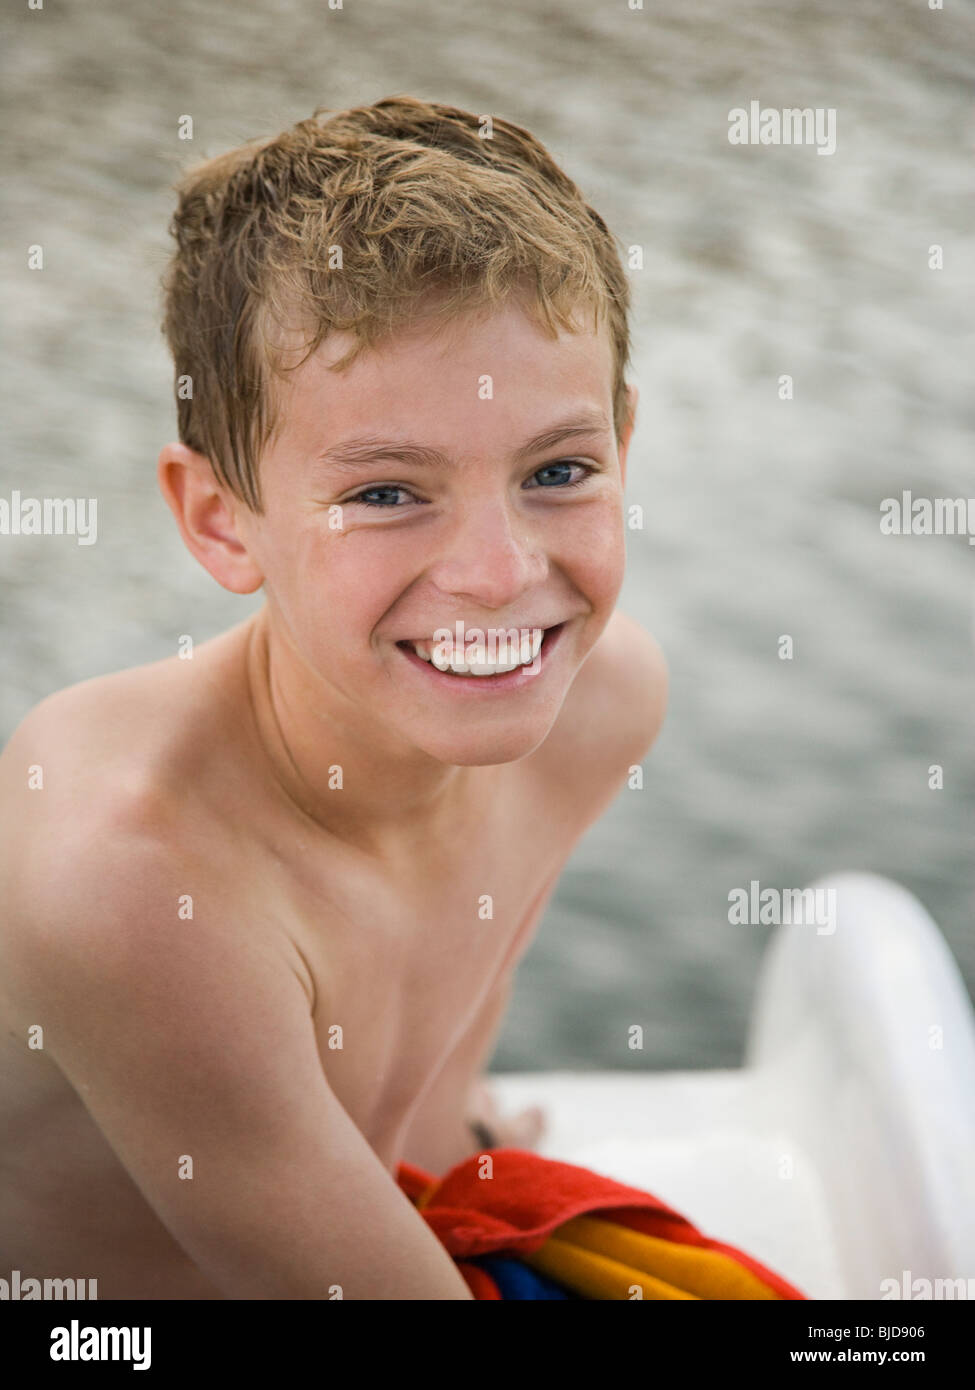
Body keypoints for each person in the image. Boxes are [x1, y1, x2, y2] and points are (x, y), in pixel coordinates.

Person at [0, 96, 667, 1299]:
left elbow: (432, 1102)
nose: (501, 574)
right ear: (219, 520)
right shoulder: (135, 869)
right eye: (385, 494)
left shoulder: (601, 705)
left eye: (558, 471)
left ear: (625, 441)